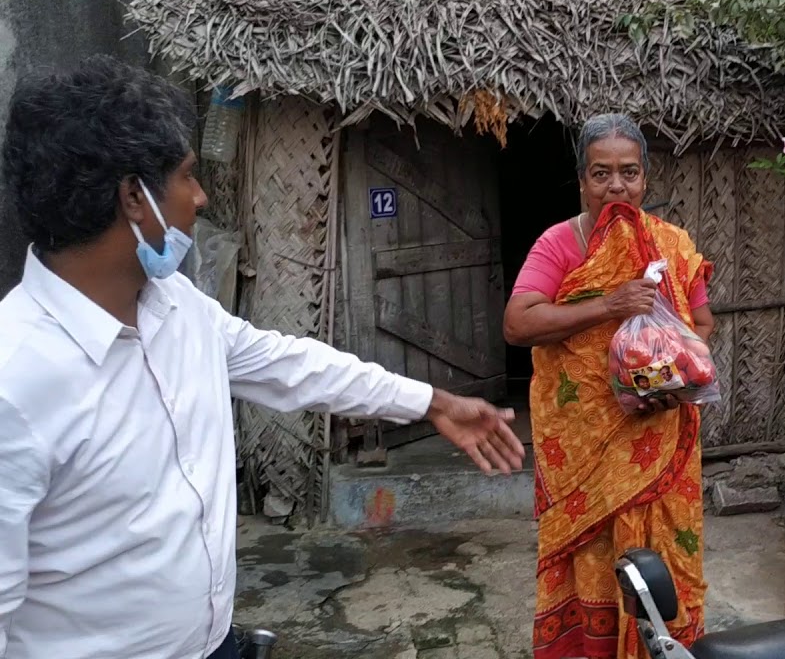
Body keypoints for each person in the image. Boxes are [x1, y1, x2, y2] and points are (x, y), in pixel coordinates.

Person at [0, 56, 525, 659]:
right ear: (133, 198)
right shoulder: (16, 385)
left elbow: (289, 365)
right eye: (187, 176)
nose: (198, 198)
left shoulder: (177, 308)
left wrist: (431, 402)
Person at [504, 114, 714, 659]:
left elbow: (702, 322)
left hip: (662, 431)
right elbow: (518, 323)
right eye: (601, 174)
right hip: (584, 451)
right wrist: (609, 306)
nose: (615, 186)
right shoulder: (559, 244)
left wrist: (676, 375)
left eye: (628, 173)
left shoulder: (671, 243)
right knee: (596, 563)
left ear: (644, 178)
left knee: (664, 560)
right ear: (581, 181)